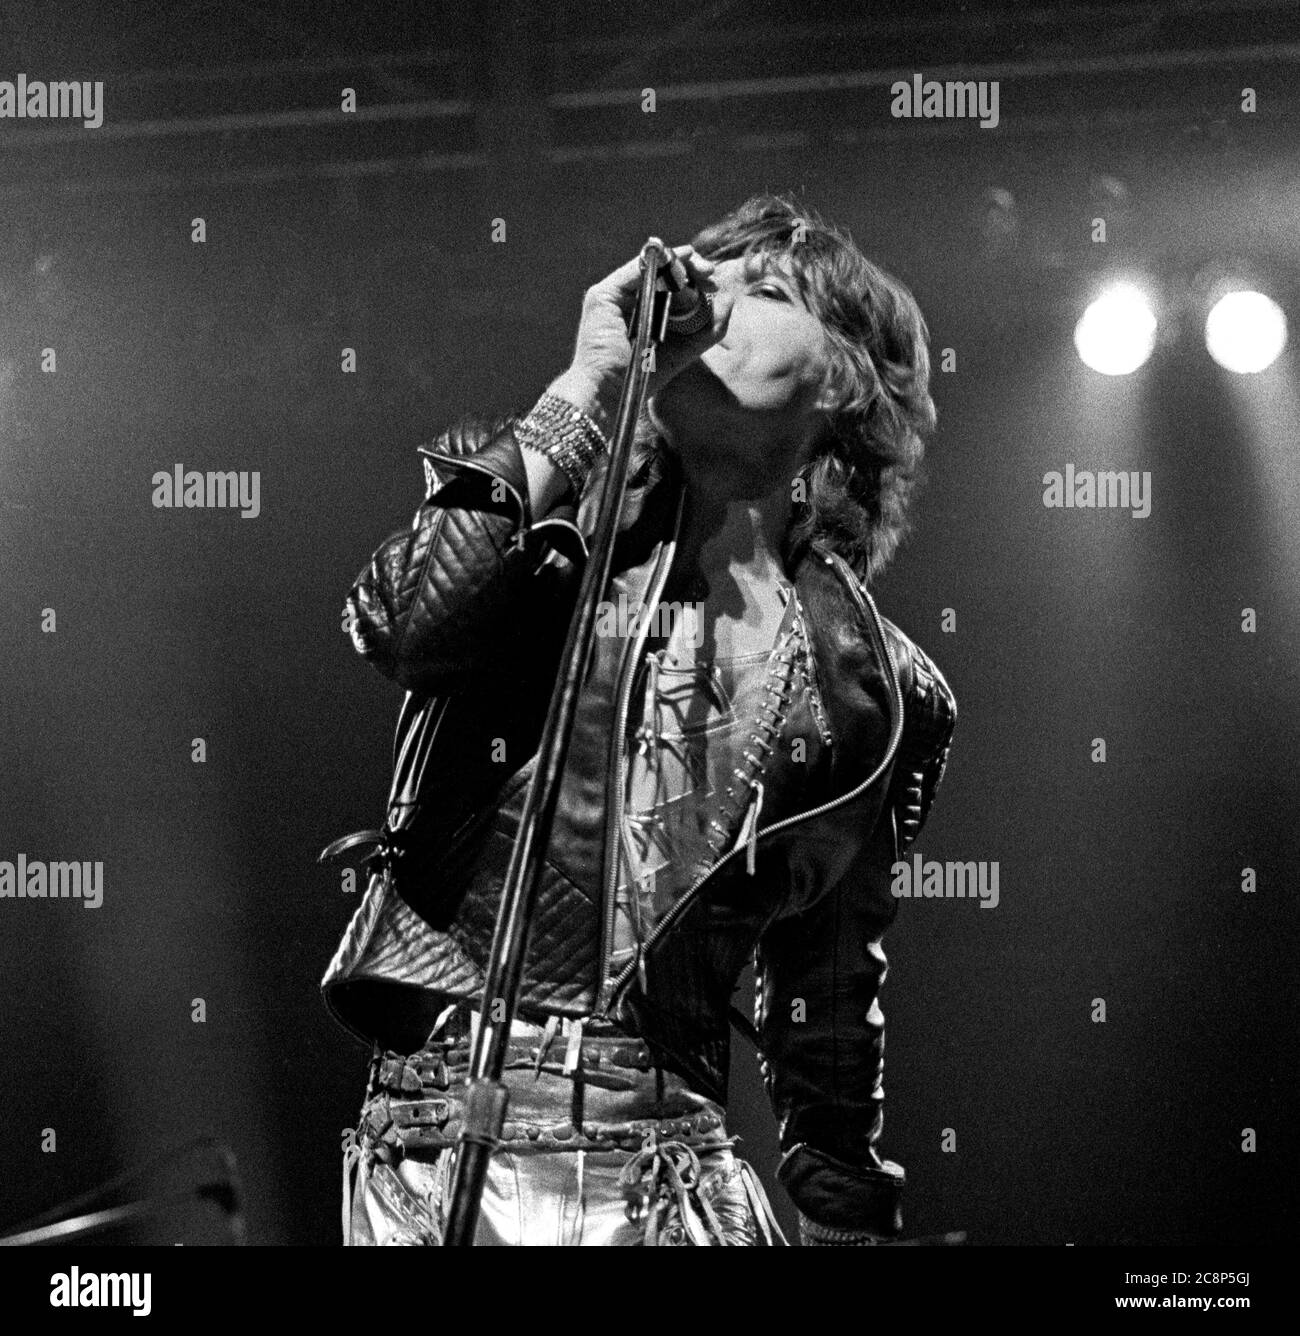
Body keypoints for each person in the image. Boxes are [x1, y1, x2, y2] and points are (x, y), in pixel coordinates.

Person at [322, 194, 957, 1246]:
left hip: (666, 1175)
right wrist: (584, 387)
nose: (708, 300)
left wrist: (844, 1218)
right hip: (437, 1155)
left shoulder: (877, 693)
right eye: (706, 276)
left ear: (849, 384)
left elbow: (829, 994)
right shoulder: (537, 518)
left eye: (763, 289)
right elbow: (404, 624)